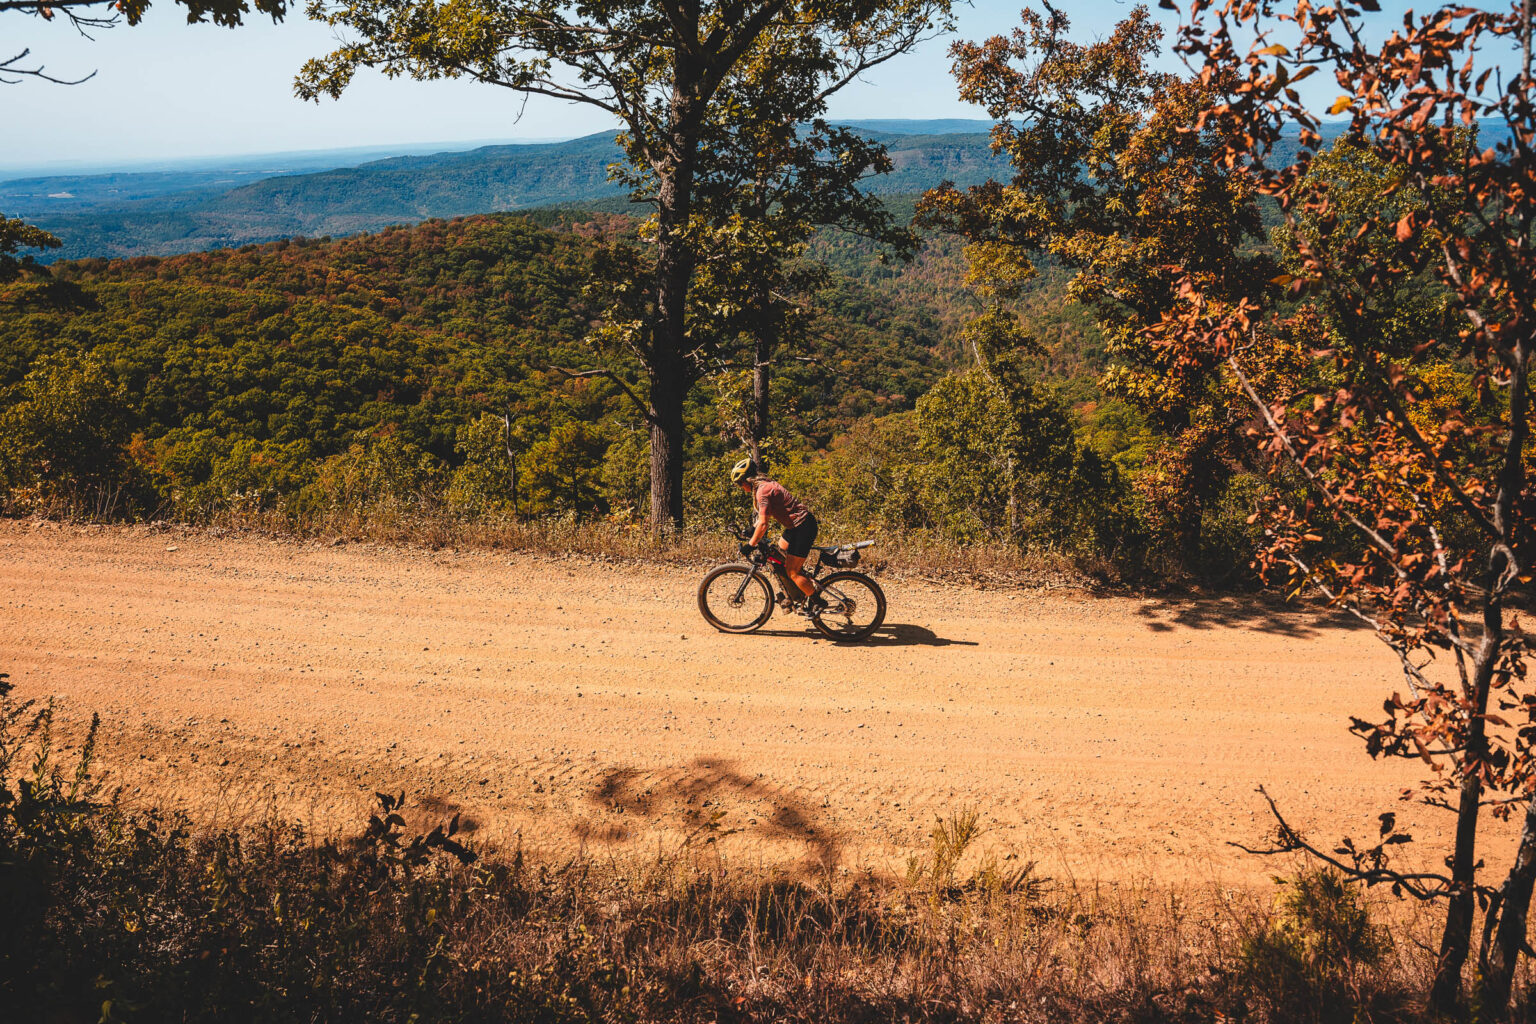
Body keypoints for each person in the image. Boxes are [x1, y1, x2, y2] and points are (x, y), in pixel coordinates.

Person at [731, 458, 824, 613]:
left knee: (793, 571)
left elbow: (763, 524)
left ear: (747, 480)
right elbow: (762, 518)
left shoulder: (763, 491)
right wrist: (751, 530)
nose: (741, 487)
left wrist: (750, 545)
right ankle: (796, 595)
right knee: (776, 558)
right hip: (795, 527)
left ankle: (817, 601)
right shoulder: (763, 485)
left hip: (803, 527)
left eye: (740, 483)